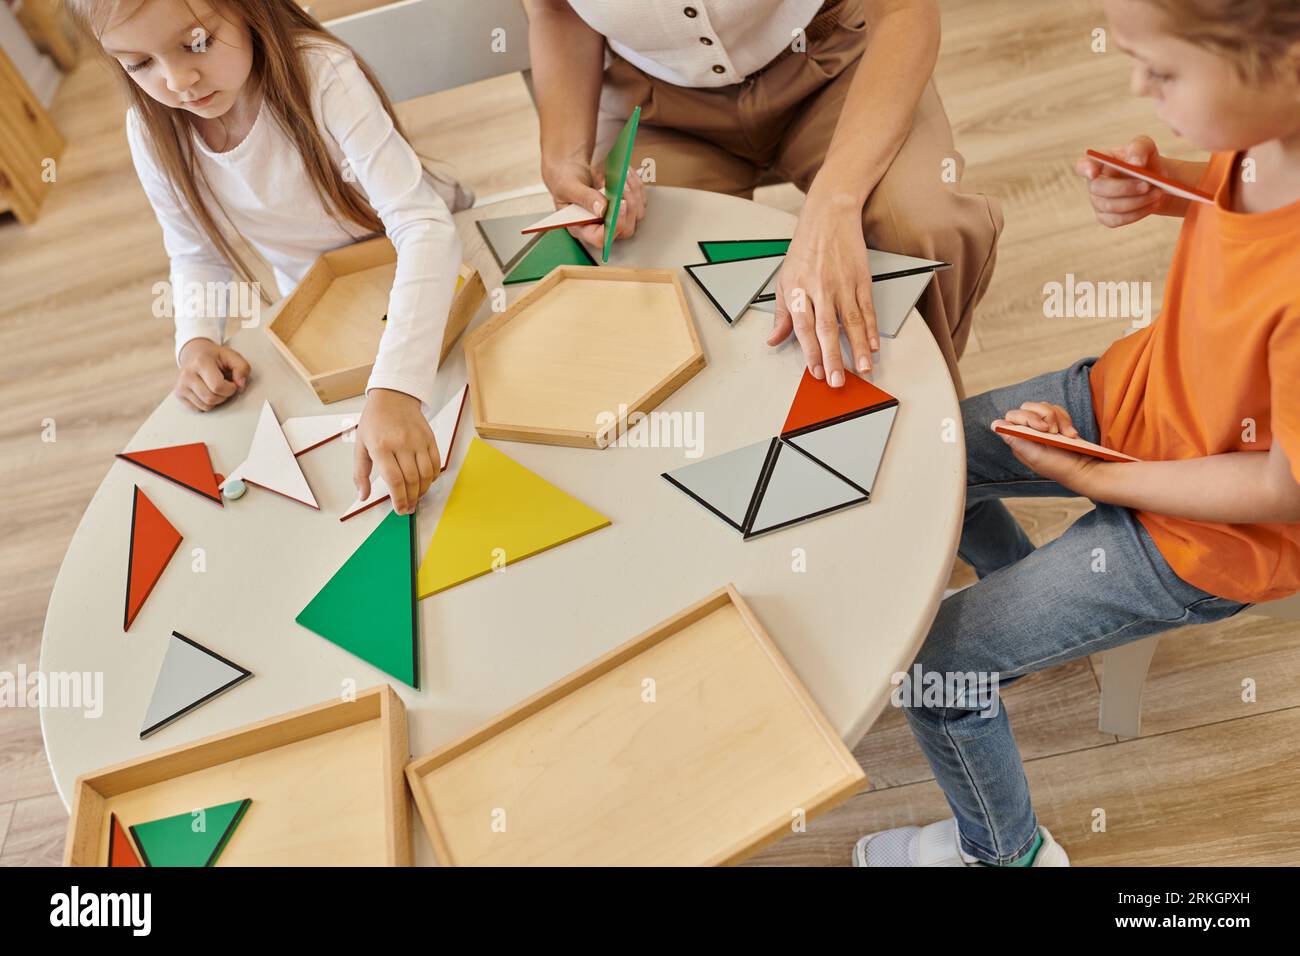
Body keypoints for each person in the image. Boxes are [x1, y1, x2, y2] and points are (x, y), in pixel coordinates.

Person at [855, 0, 1300, 867]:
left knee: (934, 674)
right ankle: (1027, 593)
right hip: (1132, 402)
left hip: (1206, 537)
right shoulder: (1272, 132)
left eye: (1162, 72)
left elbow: (1283, 487)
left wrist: (1101, 483)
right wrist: (1172, 183)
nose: (1136, 84)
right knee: (932, 455)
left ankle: (1005, 854)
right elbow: (1250, 209)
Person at [70, 0, 472, 514]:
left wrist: (396, 388)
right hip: (327, 312)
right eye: (139, 64)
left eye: (196, 43)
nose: (178, 80)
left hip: (443, 271)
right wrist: (195, 340)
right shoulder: (151, 130)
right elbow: (196, 253)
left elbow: (422, 226)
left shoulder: (321, 73)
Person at [529, 0, 1003, 396]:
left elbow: (903, 10)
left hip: (832, 60)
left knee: (921, 229)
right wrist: (564, 160)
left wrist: (831, 209)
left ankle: (939, 440)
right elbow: (557, 11)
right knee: (640, 291)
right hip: (658, 104)